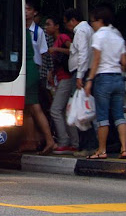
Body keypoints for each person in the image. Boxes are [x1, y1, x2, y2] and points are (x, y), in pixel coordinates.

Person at [84, 5, 126, 160]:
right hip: (118, 77)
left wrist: (90, 79)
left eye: (93, 22)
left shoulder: (98, 36)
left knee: (103, 116)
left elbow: (96, 60)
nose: (92, 25)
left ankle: (102, 150)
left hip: (103, 78)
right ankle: (124, 148)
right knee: (119, 115)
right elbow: (124, 62)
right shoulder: (118, 36)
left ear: (100, 20)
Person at [63, 7, 96, 157]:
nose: (67, 27)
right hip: (83, 72)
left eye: (67, 23)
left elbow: (83, 54)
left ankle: (87, 145)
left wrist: (79, 76)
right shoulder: (87, 29)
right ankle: (87, 145)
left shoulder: (81, 31)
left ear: (73, 20)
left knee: (81, 111)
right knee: (82, 109)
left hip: (80, 72)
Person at [21, 27, 57, 155]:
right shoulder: (25, 31)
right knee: (28, 109)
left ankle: (49, 140)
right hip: (30, 69)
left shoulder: (21, 30)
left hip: (27, 71)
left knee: (34, 108)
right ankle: (31, 140)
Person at [46, 15, 78, 154]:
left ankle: (64, 140)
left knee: (55, 110)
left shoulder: (62, 37)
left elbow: (72, 50)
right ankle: (74, 142)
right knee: (65, 112)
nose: (46, 27)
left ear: (57, 26)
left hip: (66, 78)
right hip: (61, 78)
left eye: (48, 24)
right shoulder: (56, 40)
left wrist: (56, 49)